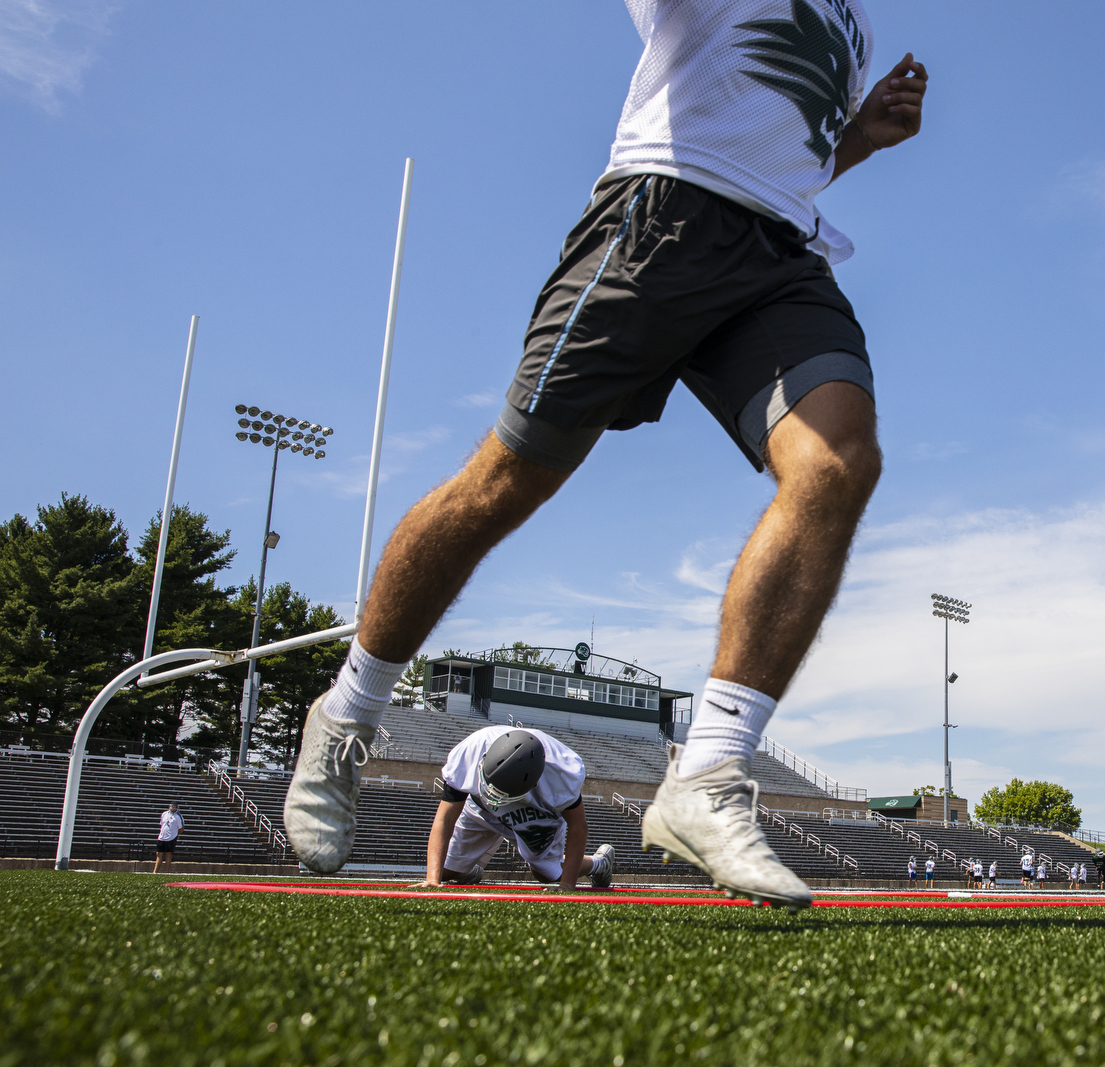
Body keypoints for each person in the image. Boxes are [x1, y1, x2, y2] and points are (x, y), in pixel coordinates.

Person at [279, 2, 930, 913]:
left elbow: (784, 144)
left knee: (838, 462)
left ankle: (708, 771)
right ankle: (346, 714)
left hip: (779, 250)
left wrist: (860, 135)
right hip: (660, 221)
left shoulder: (850, 23)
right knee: (501, 486)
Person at [412, 727, 614, 890]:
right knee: (445, 872)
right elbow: (445, 818)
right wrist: (432, 879)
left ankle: (598, 864)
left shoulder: (560, 772)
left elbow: (578, 826)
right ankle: (469, 869)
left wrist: (567, 885)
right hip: (480, 805)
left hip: (532, 812)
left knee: (548, 875)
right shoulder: (471, 749)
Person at [152, 803, 183, 873]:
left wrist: (174, 834)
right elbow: (162, 824)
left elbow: (181, 828)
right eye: (173, 807)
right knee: (159, 853)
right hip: (162, 837)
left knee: (168, 854)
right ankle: (155, 871)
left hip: (171, 838)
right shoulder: (164, 814)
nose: (174, 809)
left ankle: (166, 872)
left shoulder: (178, 816)